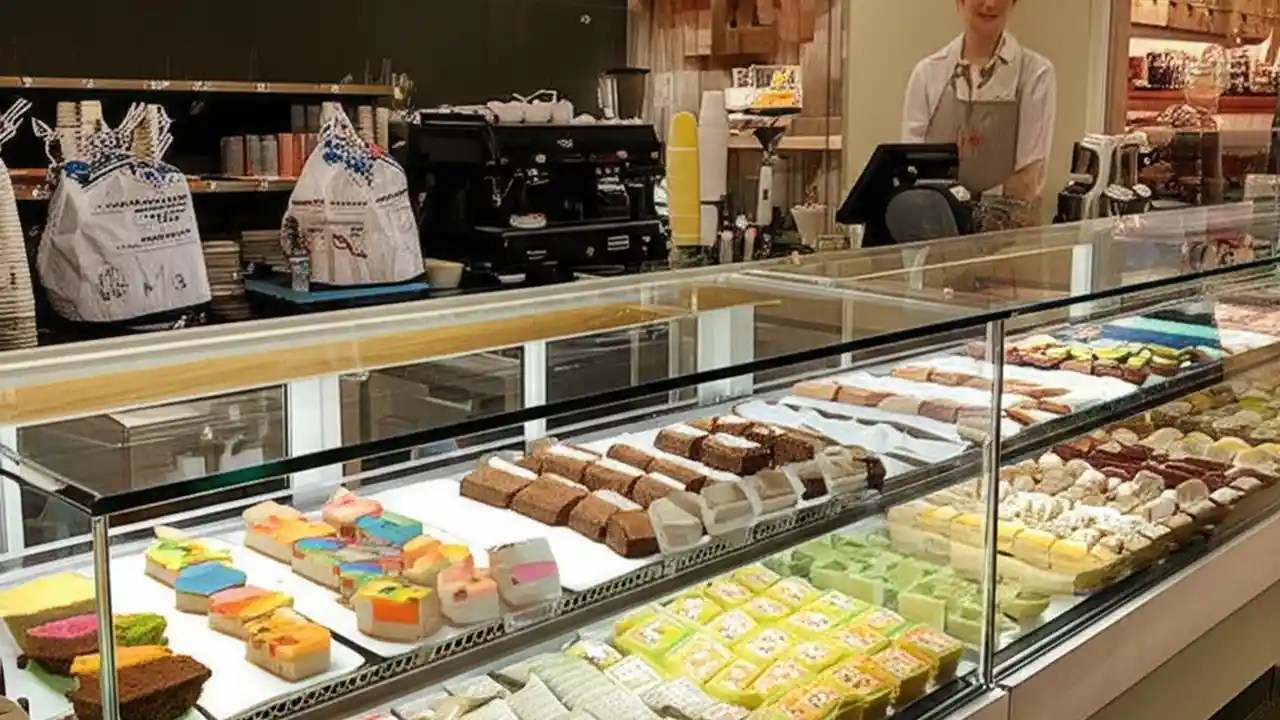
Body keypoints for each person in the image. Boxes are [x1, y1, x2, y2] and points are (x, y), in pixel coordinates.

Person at [902, 0, 1057, 205]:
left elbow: (1028, 180)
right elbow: (910, 170)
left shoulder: (1036, 74)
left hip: (1010, 227)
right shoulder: (927, 74)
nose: (990, 4)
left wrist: (977, 207)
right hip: (935, 225)